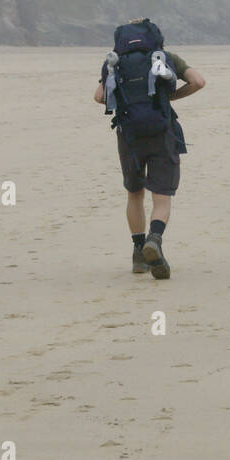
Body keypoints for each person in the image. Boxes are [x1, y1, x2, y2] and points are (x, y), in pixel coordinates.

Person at [93, 19, 205, 278]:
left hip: (129, 135)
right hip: (161, 132)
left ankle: (138, 251)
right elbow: (198, 82)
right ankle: (155, 239)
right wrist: (170, 97)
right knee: (161, 197)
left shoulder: (115, 62)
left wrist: (128, 103)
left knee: (135, 193)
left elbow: (99, 97)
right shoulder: (165, 58)